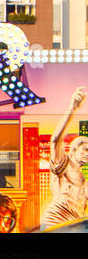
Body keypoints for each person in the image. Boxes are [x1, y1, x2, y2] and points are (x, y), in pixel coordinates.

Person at [42, 86, 88, 230]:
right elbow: (56, 139)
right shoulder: (64, 164)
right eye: (85, 149)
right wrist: (72, 108)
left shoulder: (84, 181)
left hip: (75, 224)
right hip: (56, 221)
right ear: (73, 150)